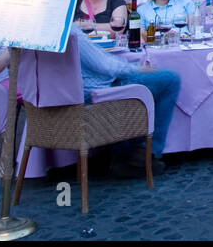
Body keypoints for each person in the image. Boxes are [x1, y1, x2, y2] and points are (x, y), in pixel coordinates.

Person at [72, 22, 180, 174]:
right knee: (170, 80)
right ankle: (144, 153)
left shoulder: (38, 36)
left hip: (64, 99)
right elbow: (106, 66)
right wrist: (137, 68)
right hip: (96, 94)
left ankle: (126, 149)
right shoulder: (70, 32)